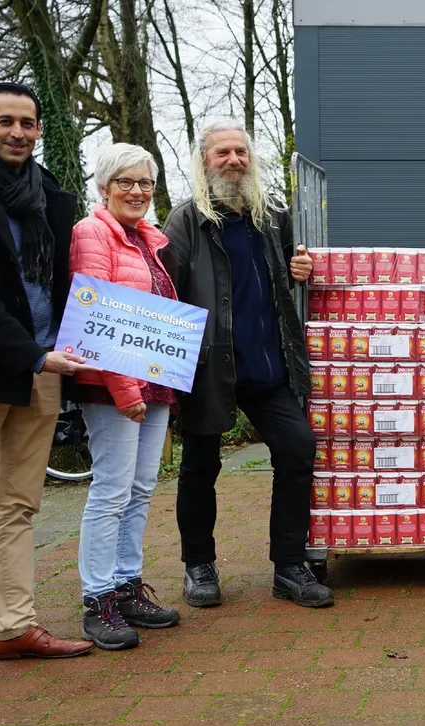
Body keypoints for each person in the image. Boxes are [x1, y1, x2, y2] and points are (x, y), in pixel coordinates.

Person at [160, 119, 333, 609]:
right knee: (200, 467)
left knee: (298, 449)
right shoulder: (186, 220)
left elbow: (285, 276)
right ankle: (199, 565)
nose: (234, 161)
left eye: (241, 152)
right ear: (205, 161)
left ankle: (288, 565)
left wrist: (300, 270)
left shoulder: (271, 217)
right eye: (223, 154)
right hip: (209, 370)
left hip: (266, 366)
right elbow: (168, 295)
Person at [68, 144, 182, 650]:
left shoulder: (147, 239)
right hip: (112, 384)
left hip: (152, 381)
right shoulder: (92, 233)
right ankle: (98, 601)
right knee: (111, 490)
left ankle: (127, 584)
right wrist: (123, 389)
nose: (137, 192)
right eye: (125, 182)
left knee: (139, 488)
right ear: (103, 187)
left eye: (145, 183)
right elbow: (94, 316)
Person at [0, 82, 96, 660]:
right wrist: (36, 353)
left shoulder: (51, 198)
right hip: (26, 359)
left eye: (27, 123)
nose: (16, 132)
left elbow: (74, 288)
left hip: (42, 368)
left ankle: (13, 626)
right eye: (4, 121)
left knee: (18, 503)